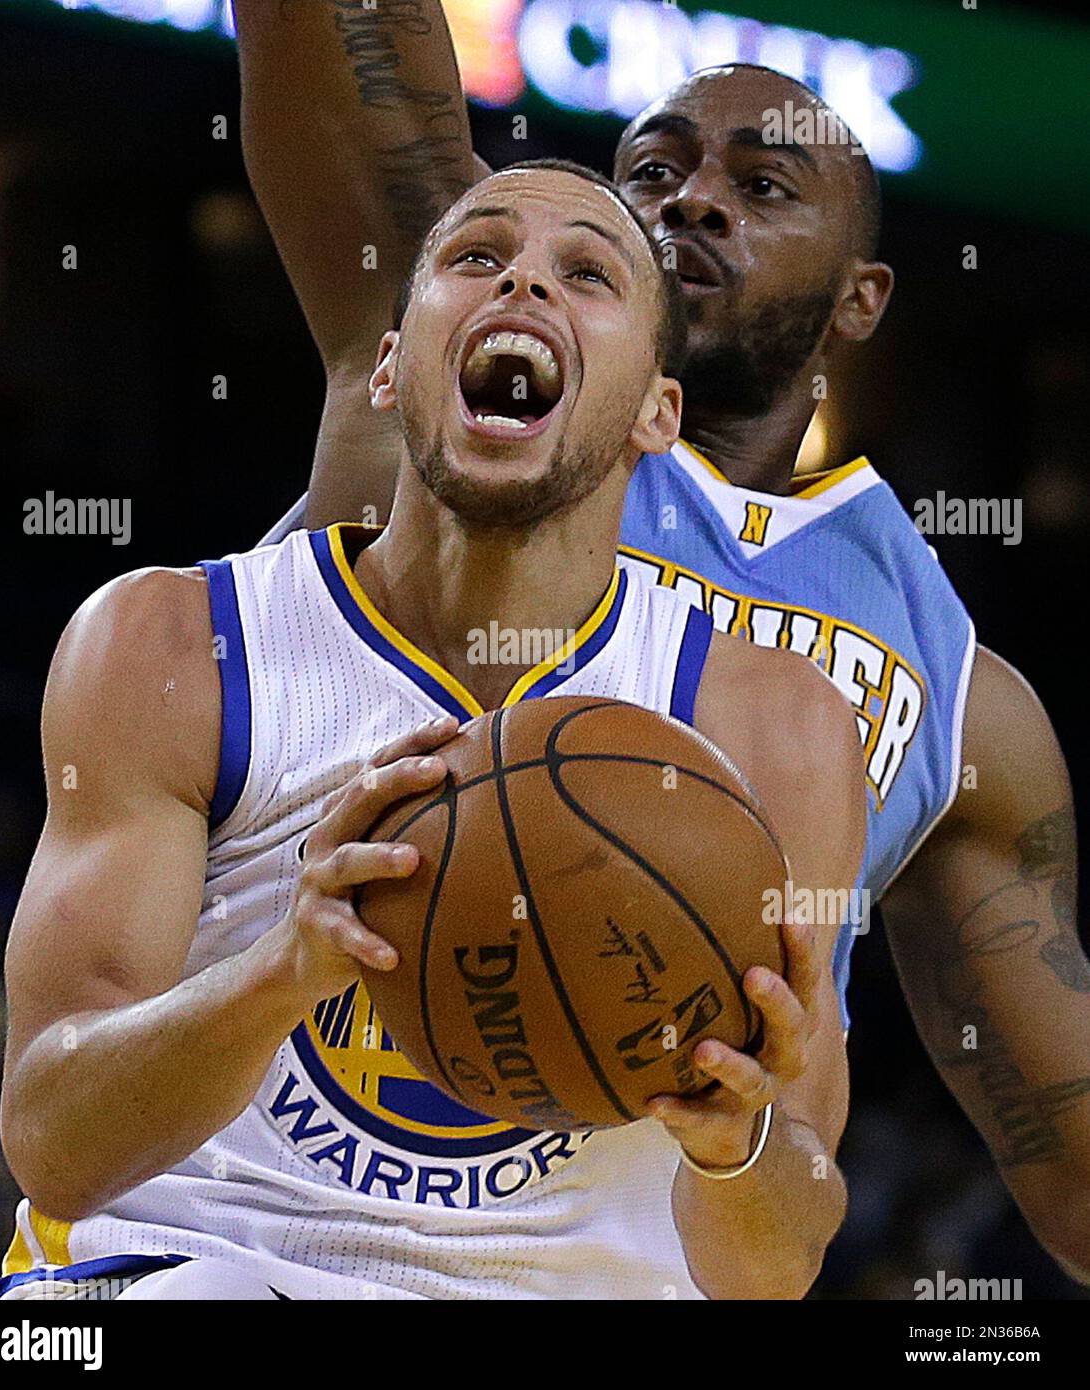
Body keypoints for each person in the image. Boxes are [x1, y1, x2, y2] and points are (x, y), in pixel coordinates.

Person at [232, 3, 1090, 1280]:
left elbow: (1070, 1173)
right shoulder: (469, 362)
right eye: (649, 172)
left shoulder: (960, 692)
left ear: (861, 301)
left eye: (758, 185)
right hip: (282, 1213)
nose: (687, 201)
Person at [0, 164, 865, 1301]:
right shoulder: (175, 645)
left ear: (658, 411)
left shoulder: (765, 722)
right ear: (394, 366)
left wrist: (730, 1142)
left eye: (585, 272)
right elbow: (52, 1139)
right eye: (475, 258)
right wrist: (282, 970)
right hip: (190, 1274)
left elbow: (776, 1265)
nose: (525, 286)